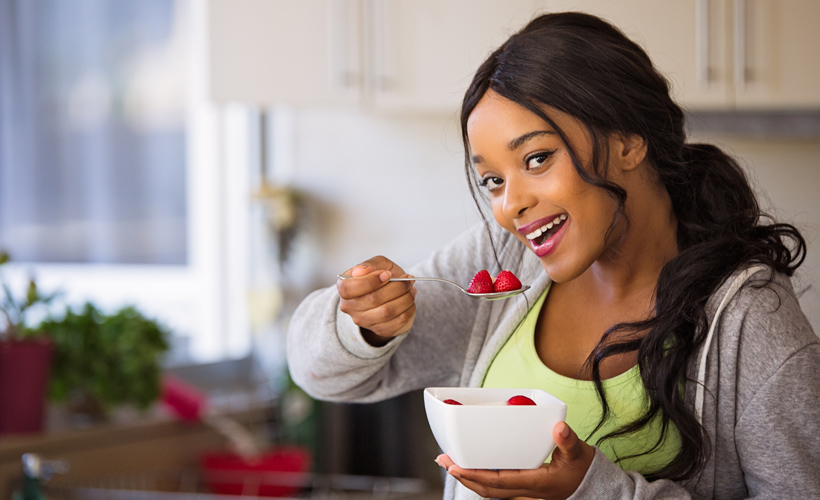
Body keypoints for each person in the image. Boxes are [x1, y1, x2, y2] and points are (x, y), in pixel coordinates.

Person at [286, 11, 820, 500]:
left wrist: (591, 490)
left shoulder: (751, 320)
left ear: (629, 143)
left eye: (537, 158)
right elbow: (323, 374)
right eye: (493, 179)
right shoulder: (503, 265)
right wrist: (366, 323)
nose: (509, 205)